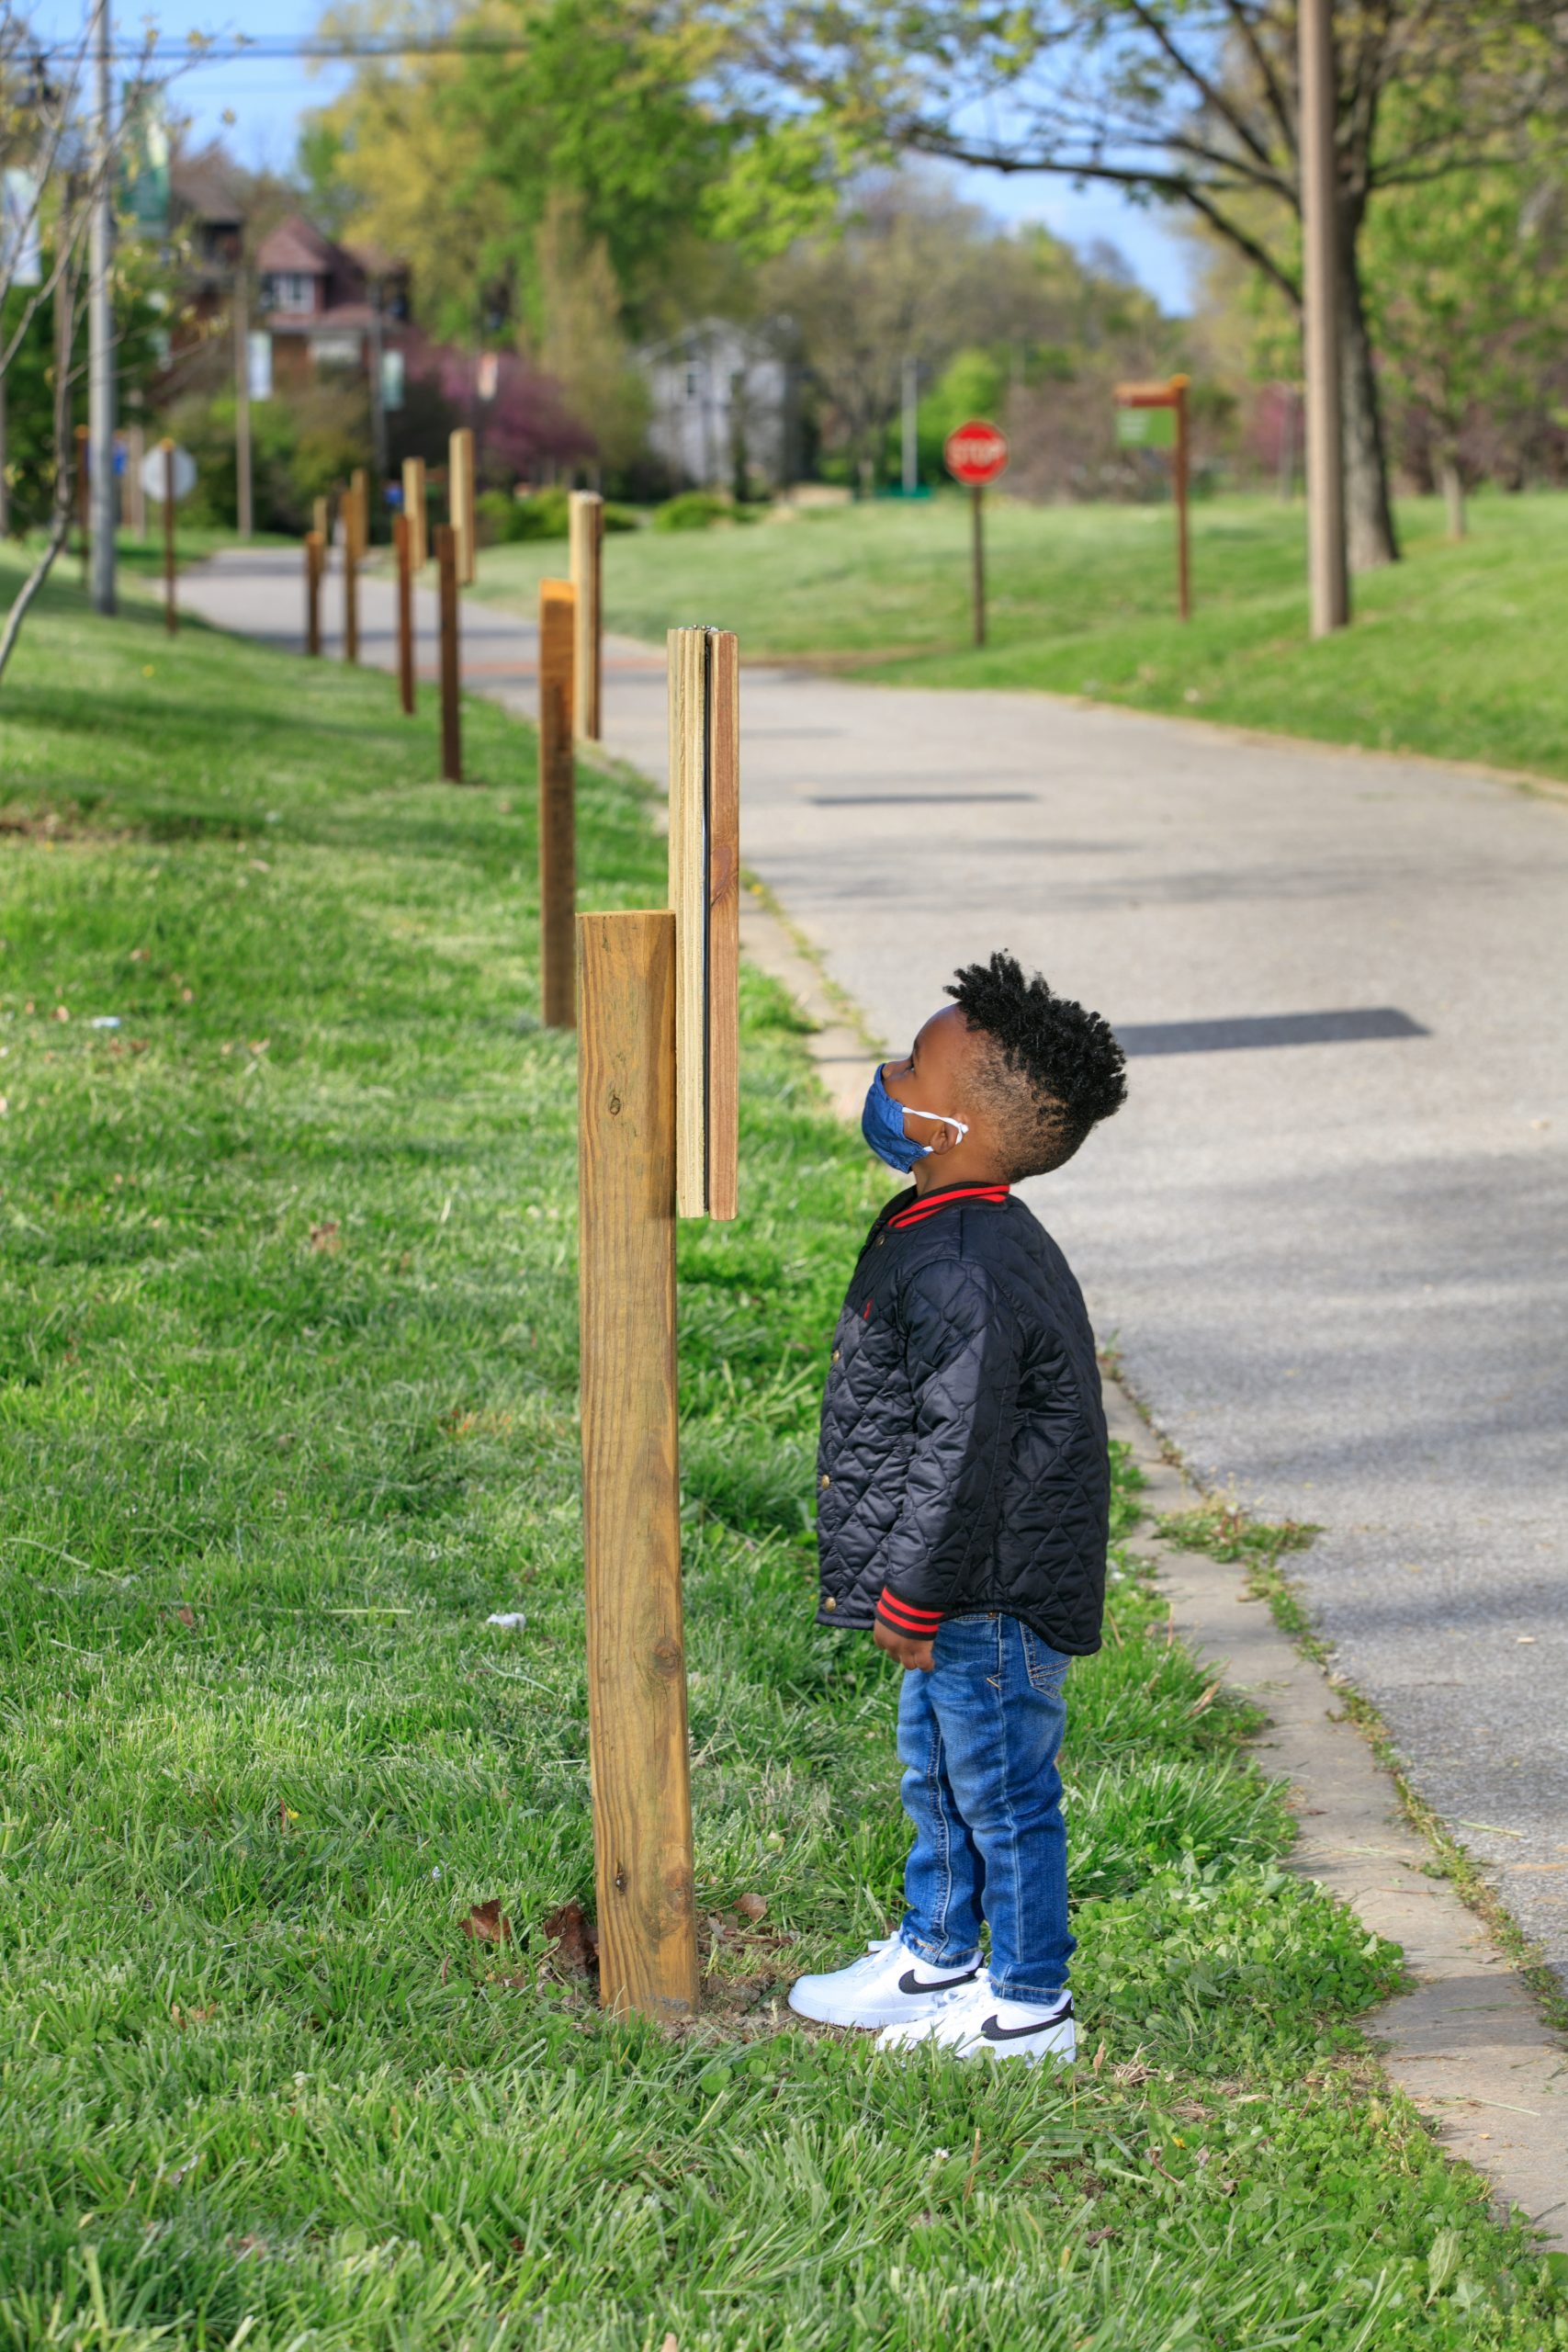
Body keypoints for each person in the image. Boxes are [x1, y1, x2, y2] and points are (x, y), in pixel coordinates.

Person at [788, 952, 1127, 2066]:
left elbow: (966, 1444)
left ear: (954, 1126)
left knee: (1003, 1790)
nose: (886, 1074)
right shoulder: (943, 1225)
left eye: (909, 1065)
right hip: (963, 1576)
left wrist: (916, 1585)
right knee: (934, 1765)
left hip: (988, 1584)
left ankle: (1030, 2003)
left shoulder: (970, 1262)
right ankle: (937, 1953)